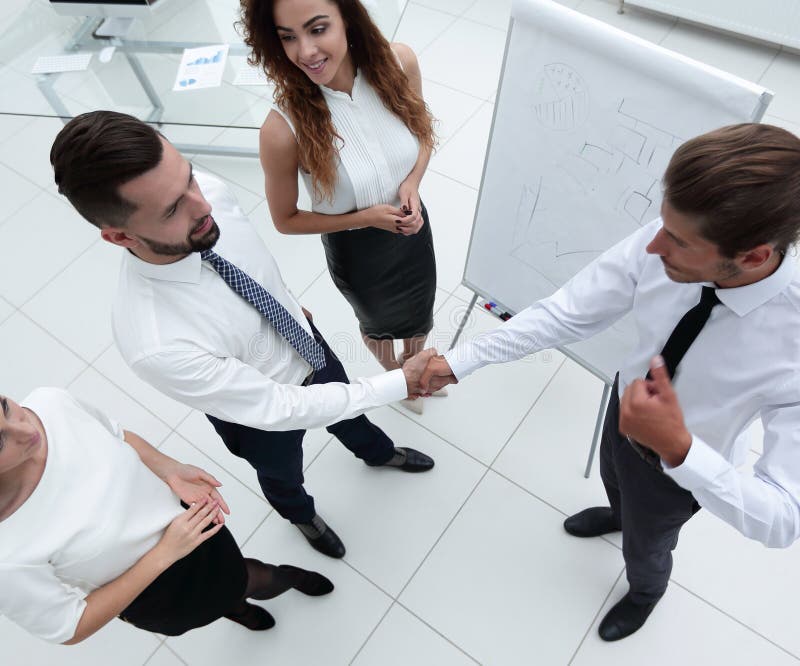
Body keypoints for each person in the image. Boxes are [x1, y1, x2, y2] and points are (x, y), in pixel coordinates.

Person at [420, 123, 800, 640]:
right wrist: (463, 360)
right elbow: (569, 312)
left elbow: (782, 519)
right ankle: (618, 512)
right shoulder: (667, 235)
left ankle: (646, 590)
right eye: (661, 223)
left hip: (681, 474)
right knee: (615, 483)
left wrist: (681, 450)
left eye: (679, 241)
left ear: (754, 256)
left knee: (648, 546)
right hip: (620, 415)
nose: (652, 244)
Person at [50, 110, 436, 561]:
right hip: (257, 414)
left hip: (305, 343)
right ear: (119, 237)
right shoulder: (155, 342)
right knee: (282, 472)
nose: (203, 203)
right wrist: (397, 383)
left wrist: (288, 305)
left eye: (189, 178)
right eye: (173, 208)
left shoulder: (207, 196)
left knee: (350, 413)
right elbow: (277, 408)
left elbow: (251, 265)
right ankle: (301, 515)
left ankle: (378, 453)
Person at [0, 386, 334, 644]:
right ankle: (236, 609)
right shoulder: (7, 555)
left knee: (250, 577)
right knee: (214, 604)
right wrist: (163, 554)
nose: (26, 431)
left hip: (193, 533)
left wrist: (169, 469)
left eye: (5, 407)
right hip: (151, 594)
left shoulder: (50, 404)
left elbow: (116, 435)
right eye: (0, 442)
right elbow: (70, 627)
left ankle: (284, 578)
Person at [241, 0, 440, 414]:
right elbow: (285, 219)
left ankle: (417, 364)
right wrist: (365, 217)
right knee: (379, 326)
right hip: (360, 253)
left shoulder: (398, 63)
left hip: (412, 224)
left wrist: (412, 183)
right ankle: (398, 380)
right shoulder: (282, 129)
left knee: (421, 312)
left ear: (348, 20)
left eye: (317, 29)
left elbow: (422, 133)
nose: (306, 52)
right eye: (288, 38)